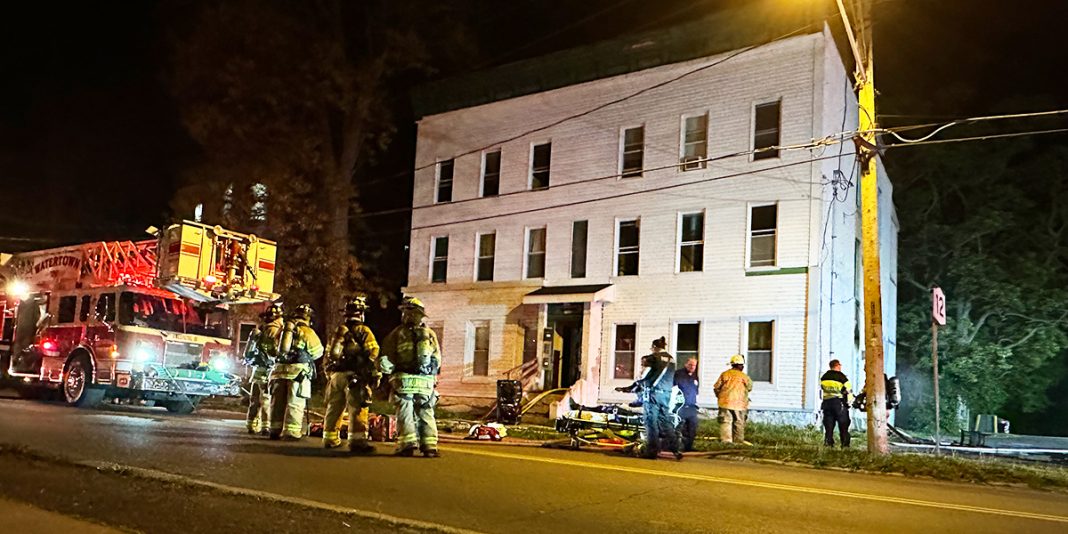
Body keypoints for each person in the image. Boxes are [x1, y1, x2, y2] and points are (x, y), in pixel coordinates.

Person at [377, 296, 442, 457]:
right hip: (426, 382)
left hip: (404, 380)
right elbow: (437, 359)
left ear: (405, 314)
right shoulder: (430, 334)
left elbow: (386, 359)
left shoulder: (397, 334)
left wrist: (383, 371)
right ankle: (430, 446)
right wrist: (432, 376)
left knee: (405, 411)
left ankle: (407, 444)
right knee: (426, 411)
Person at [322, 296, 380, 454]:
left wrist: (329, 374)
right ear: (361, 314)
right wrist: (372, 372)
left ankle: (330, 438)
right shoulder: (363, 330)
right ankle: (357, 442)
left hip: (336, 376)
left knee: (334, 407)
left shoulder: (338, 331)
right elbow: (373, 351)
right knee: (357, 408)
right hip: (354, 377)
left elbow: (328, 355)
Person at [616, 337, 682, 460]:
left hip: (653, 394)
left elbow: (643, 376)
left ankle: (652, 452)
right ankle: (675, 449)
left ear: (654, 347)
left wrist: (629, 388)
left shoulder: (653, 358)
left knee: (651, 422)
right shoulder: (672, 359)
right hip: (666, 394)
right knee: (665, 421)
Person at [268, 304, 324, 441]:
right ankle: (291, 432)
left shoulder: (282, 330)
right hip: (297, 373)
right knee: (295, 403)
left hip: (278, 372)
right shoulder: (307, 331)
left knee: (277, 403)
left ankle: (274, 430)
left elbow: (272, 350)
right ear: (308, 318)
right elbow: (317, 352)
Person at [243, 302, 283, 435]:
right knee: (267, 398)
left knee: (255, 399)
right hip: (270, 369)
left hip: (258, 369)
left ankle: (252, 425)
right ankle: (266, 426)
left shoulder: (263, 330)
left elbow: (252, 351)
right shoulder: (279, 330)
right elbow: (275, 352)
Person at [713, 354, 752, 444]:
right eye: (742, 365)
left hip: (725, 403)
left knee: (726, 422)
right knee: (739, 423)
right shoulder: (745, 377)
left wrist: (720, 396)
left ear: (732, 364)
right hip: (740, 405)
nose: (742, 367)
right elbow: (749, 387)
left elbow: (716, 387)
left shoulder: (724, 374)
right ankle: (738, 441)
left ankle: (726, 441)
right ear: (740, 365)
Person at [820, 359, 852, 448]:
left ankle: (828, 443)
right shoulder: (841, 376)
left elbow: (822, 388)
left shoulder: (824, 376)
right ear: (837, 365)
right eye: (840, 365)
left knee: (829, 425)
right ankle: (845, 445)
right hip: (839, 403)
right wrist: (849, 402)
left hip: (827, 403)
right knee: (843, 425)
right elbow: (848, 390)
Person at [674, 356, 700, 452]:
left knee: (692, 428)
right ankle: (674, 447)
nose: (692, 367)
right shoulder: (678, 374)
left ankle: (688, 447)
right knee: (678, 427)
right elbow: (674, 389)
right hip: (680, 406)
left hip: (692, 406)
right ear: (685, 364)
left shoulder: (694, 376)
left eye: (694, 365)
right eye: (690, 365)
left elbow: (696, 390)